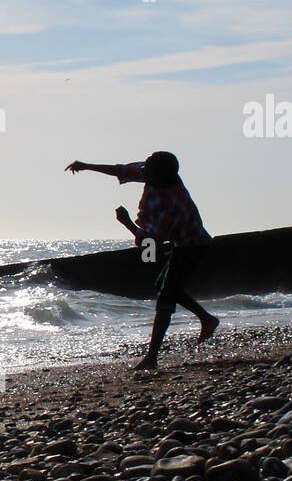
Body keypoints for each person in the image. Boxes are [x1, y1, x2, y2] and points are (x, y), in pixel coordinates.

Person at [66, 152, 218, 372]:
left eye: (149, 173)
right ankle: (207, 319)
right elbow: (120, 170)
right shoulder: (153, 172)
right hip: (181, 243)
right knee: (163, 288)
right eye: (145, 170)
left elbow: (151, 241)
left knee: (166, 295)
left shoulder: (172, 201)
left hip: (193, 246)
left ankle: (152, 357)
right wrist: (87, 166)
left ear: (162, 176)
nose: (143, 174)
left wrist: (127, 223)